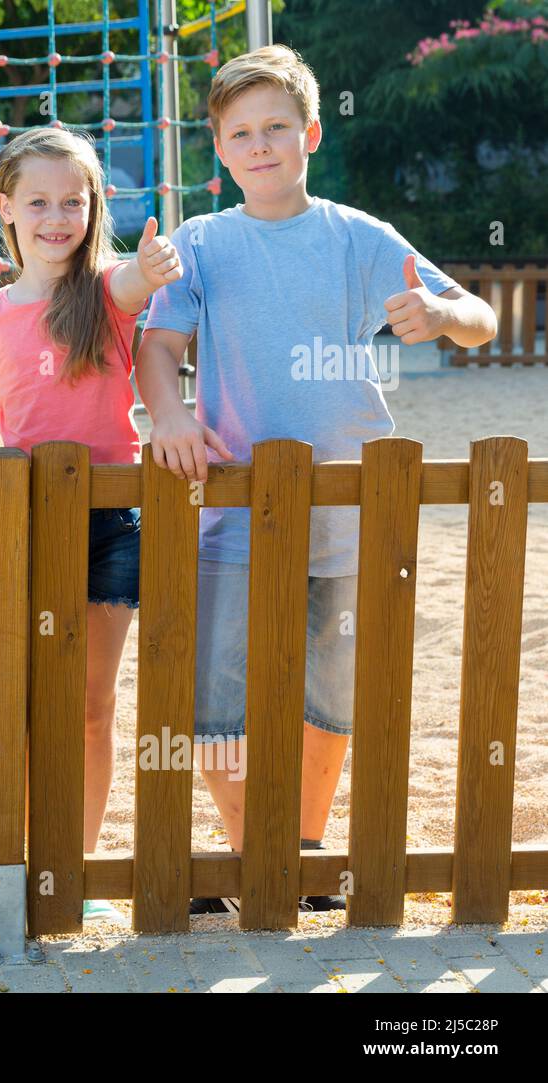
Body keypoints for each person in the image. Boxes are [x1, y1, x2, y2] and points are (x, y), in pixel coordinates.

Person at [136, 45, 497, 915]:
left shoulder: (358, 236)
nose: (261, 146)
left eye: (277, 128)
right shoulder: (201, 242)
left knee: (328, 688)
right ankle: (240, 853)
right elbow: (157, 344)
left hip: (349, 499)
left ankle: (299, 848)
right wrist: (172, 417)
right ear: (218, 149)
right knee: (220, 693)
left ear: (312, 133)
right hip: (235, 503)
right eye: (240, 133)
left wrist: (443, 313)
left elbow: (479, 320)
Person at [0, 126, 183, 923]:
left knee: (89, 701)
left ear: (94, 207)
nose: (56, 217)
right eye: (39, 201)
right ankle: (16, 857)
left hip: (110, 520)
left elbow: (130, 283)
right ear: (5, 205)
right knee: (19, 699)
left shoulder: (105, 293)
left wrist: (148, 272)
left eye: (73, 202)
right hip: (25, 522)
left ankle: (72, 866)